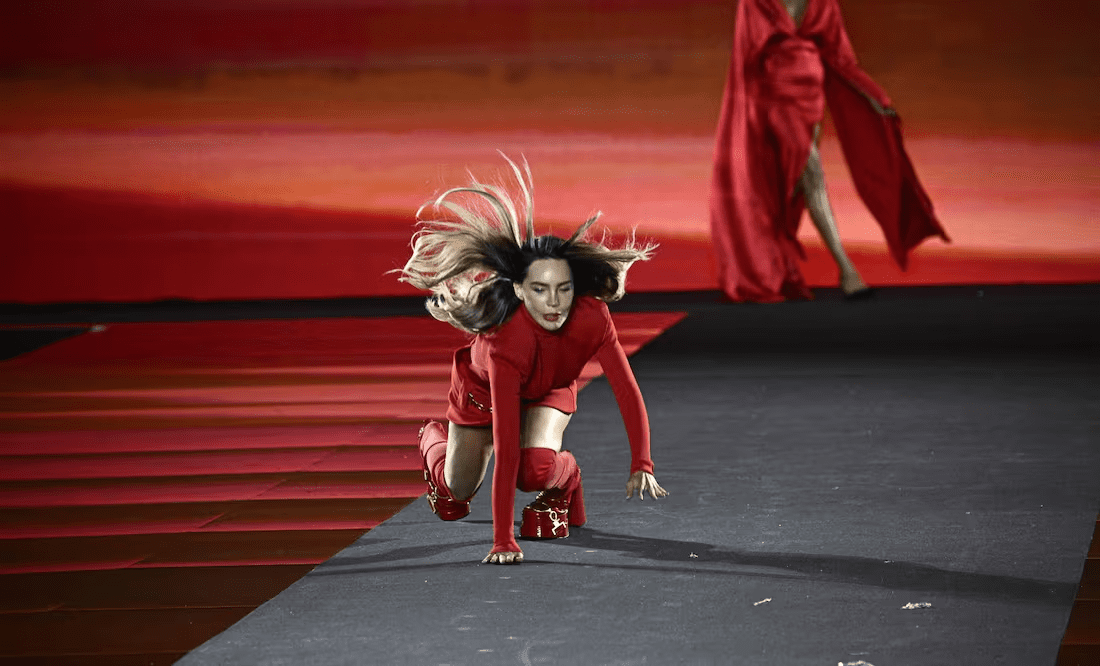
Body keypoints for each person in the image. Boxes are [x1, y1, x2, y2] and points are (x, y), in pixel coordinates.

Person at [396, 155, 668, 565]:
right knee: (456, 495)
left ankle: (566, 479)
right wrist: (503, 539)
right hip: (484, 390)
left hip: (548, 386)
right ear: (520, 291)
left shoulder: (592, 317)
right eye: (540, 289)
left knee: (534, 470)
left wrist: (642, 461)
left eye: (564, 288)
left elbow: (627, 389)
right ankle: (435, 437)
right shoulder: (507, 341)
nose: (554, 302)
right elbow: (505, 445)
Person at [710, 0, 949, 302]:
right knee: (811, 172)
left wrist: (873, 96)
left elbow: (839, 54)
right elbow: (747, 55)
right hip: (773, 95)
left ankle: (780, 264)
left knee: (796, 181)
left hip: (811, 95)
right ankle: (846, 269)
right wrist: (747, 117)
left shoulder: (824, 3)